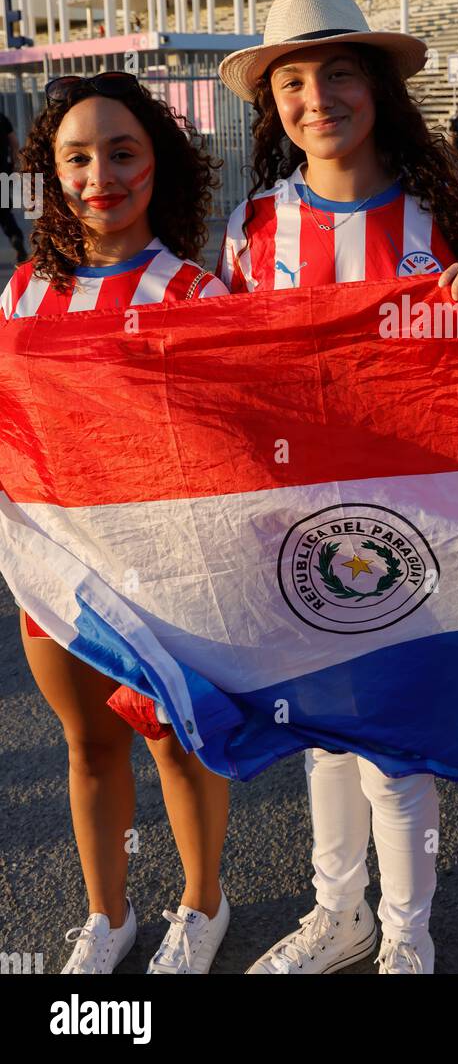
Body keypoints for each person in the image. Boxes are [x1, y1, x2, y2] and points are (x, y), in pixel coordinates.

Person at [217, 0, 458, 975]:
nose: (316, 97)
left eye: (338, 72)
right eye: (292, 80)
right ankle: (337, 913)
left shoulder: (449, 223)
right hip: (297, 526)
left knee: (395, 746)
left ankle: (405, 933)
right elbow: (231, 383)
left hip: (416, 527)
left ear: (379, 87)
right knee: (323, 735)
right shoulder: (252, 229)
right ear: (273, 104)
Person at [2, 72, 232, 975]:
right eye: (77, 157)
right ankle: (107, 917)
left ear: (157, 162)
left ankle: (201, 906)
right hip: (51, 570)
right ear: (53, 173)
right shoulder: (24, 292)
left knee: (176, 743)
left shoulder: (197, 296)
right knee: (87, 745)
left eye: (122, 152)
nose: (101, 174)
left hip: (165, 575)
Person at [0, 112, 27, 264]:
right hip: (2, 172)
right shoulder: (2, 117)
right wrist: (15, 164)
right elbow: (14, 142)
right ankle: (15, 238)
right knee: (4, 213)